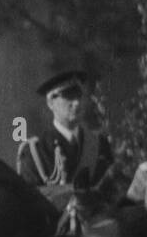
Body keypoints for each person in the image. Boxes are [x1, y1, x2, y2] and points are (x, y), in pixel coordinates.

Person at [17, 70, 116, 210]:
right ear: (51, 103)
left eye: (79, 96)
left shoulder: (100, 144)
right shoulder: (34, 151)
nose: (76, 103)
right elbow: (28, 202)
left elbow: (112, 190)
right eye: (68, 96)